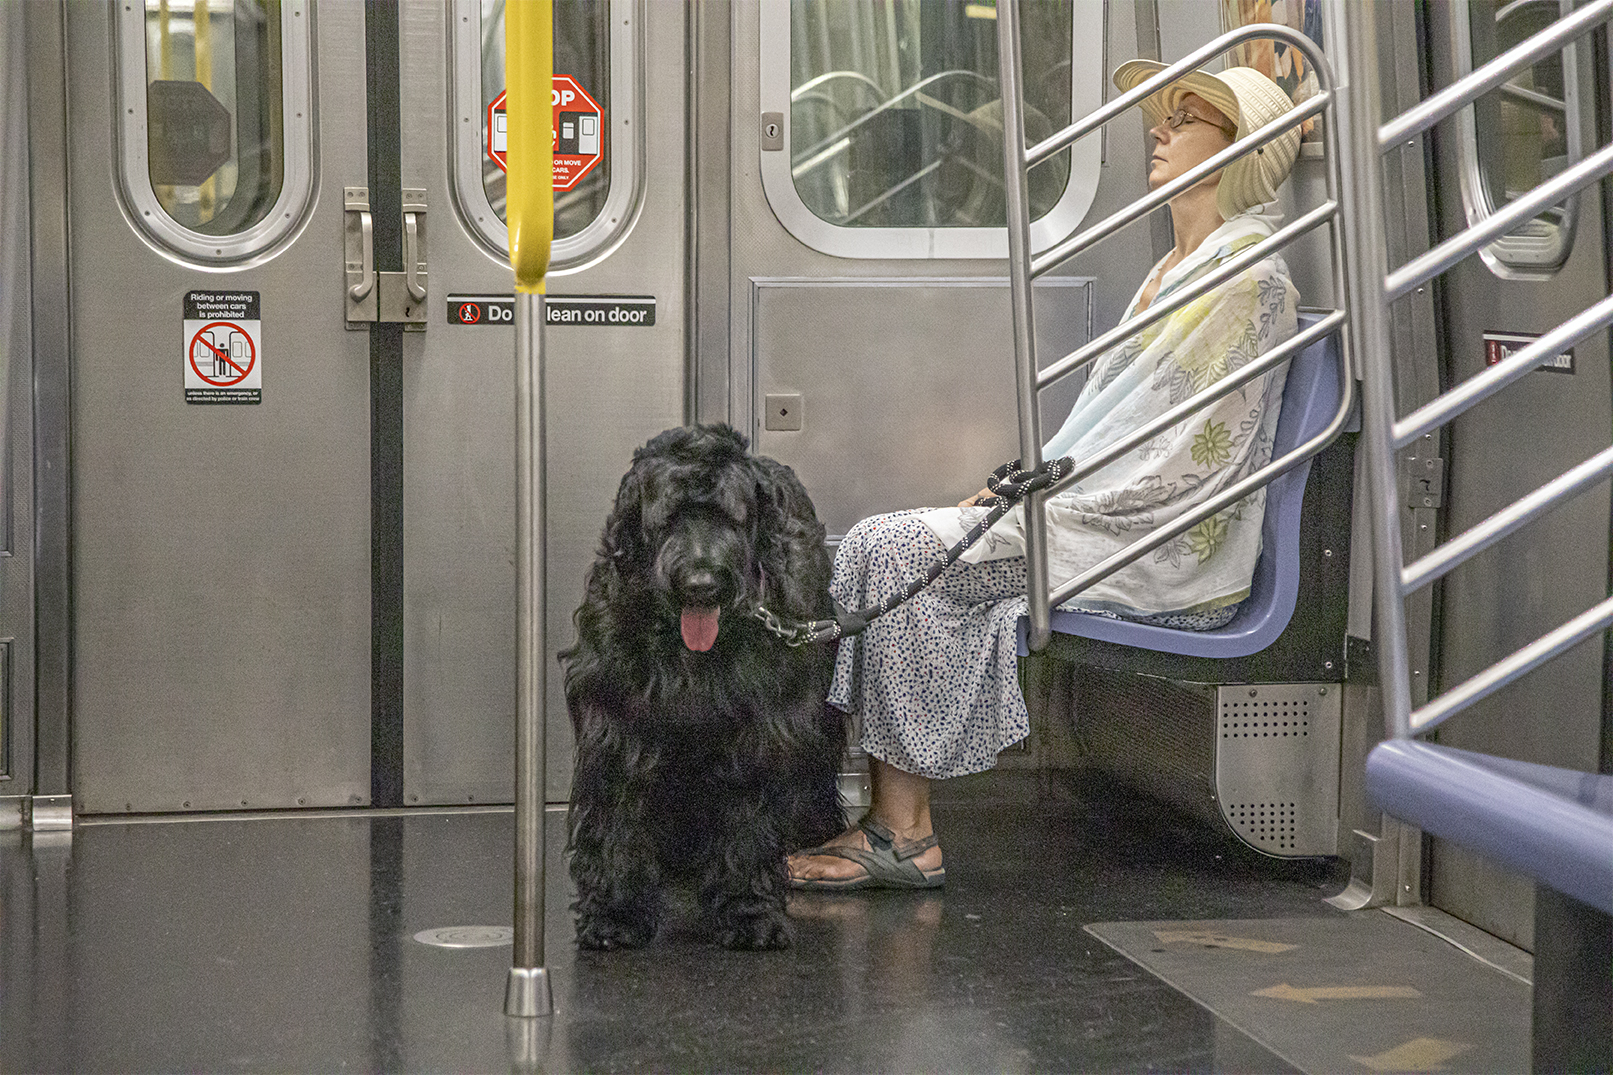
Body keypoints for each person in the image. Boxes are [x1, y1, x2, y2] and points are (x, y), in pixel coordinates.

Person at [788, 64, 1304, 891]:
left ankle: (905, 835)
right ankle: (877, 814)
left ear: (1241, 149)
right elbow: (1118, 427)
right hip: (1095, 512)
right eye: (1165, 116)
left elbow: (1184, 462)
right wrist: (1020, 492)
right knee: (871, 546)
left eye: (1185, 119)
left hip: (1155, 538)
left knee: (898, 552)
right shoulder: (1178, 268)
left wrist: (1044, 504)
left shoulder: (1247, 281)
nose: (1159, 130)